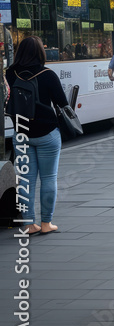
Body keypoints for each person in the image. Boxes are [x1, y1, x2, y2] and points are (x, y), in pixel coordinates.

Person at [4, 36, 69, 236]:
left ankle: (29, 225)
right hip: (47, 133)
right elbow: (62, 101)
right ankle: (47, 223)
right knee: (49, 177)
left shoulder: (10, 73)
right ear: (41, 52)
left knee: (25, 180)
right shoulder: (48, 74)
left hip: (21, 133)